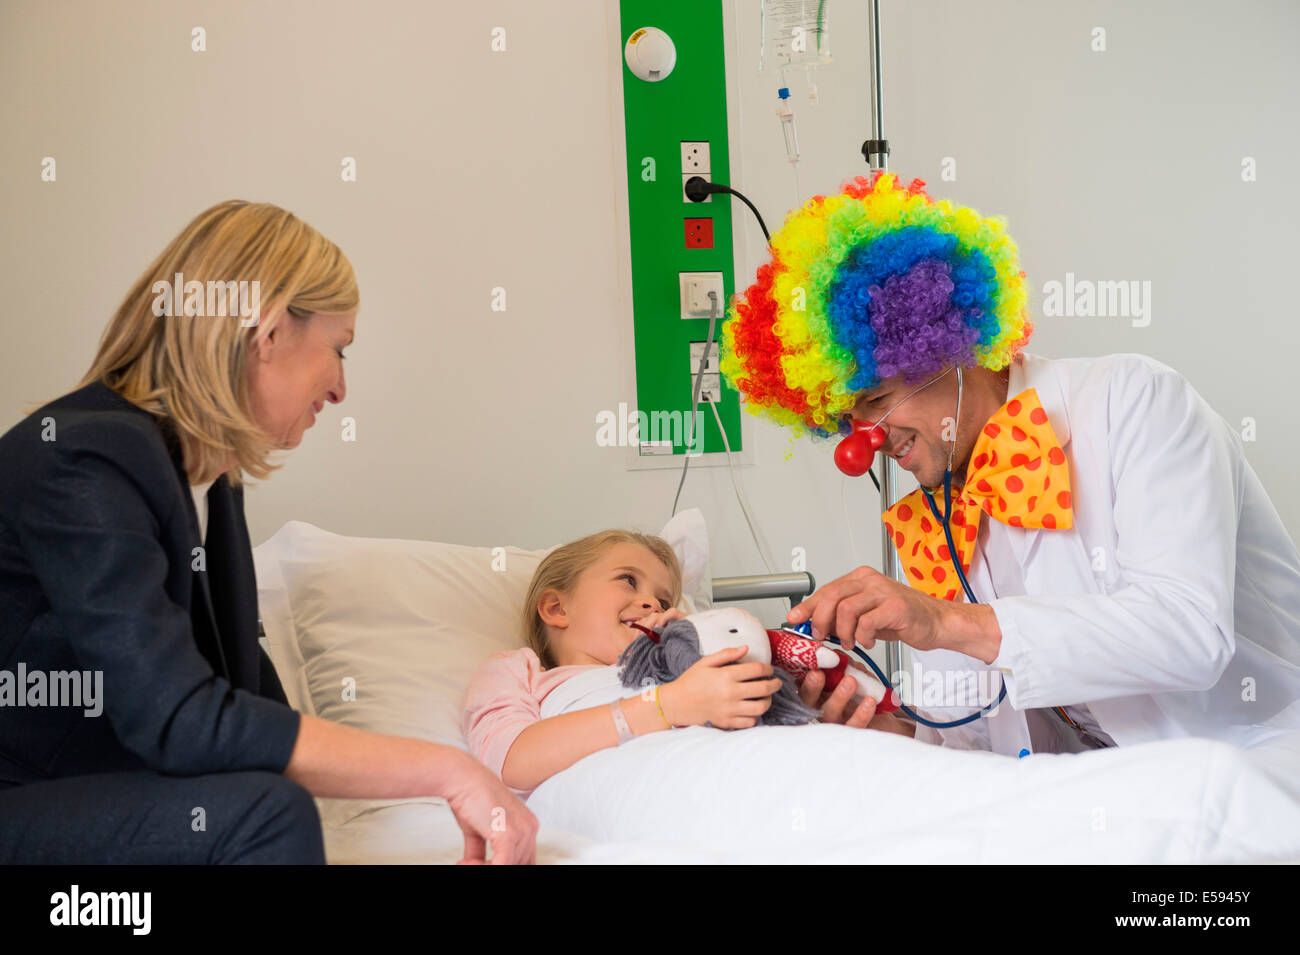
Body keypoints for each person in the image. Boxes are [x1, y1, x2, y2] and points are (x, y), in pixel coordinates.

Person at [0, 200, 536, 864]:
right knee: (264, 815)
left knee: (266, 798)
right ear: (270, 328)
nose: (340, 388)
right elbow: (179, 720)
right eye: (338, 349)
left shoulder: (209, 487)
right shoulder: (84, 459)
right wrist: (448, 770)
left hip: (89, 801)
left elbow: (249, 711)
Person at [720, 171, 1300, 755]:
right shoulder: (938, 519)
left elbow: (1189, 635)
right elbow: (977, 730)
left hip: (1252, 764)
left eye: (873, 402)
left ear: (951, 347)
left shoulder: (1134, 401)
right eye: (846, 422)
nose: (863, 443)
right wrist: (889, 727)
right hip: (1097, 803)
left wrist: (946, 621)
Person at [463, 530, 793, 796]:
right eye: (628, 580)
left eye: (664, 601)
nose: (653, 604)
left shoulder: (687, 671)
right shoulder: (518, 670)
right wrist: (668, 705)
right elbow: (511, 761)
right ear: (556, 609)